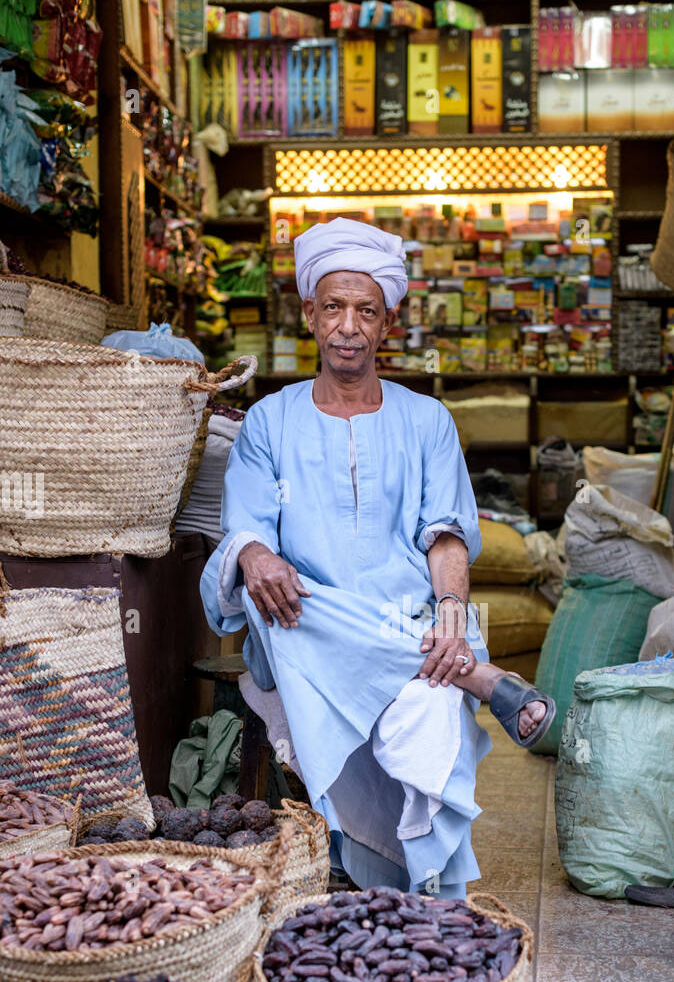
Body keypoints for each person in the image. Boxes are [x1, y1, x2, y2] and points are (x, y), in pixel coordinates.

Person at [200, 217, 555, 898]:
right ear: (309, 314)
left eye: (366, 311)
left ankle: (412, 868)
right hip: (305, 625)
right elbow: (241, 528)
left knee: (424, 674)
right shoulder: (270, 422)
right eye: (333, 307)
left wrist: (451, 610)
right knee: (277, 593)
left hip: (407, 618)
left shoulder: (426, 421)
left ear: (388, 322)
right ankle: (479, 677)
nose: (348, 326)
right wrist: (254, 555)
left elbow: (446, 536)